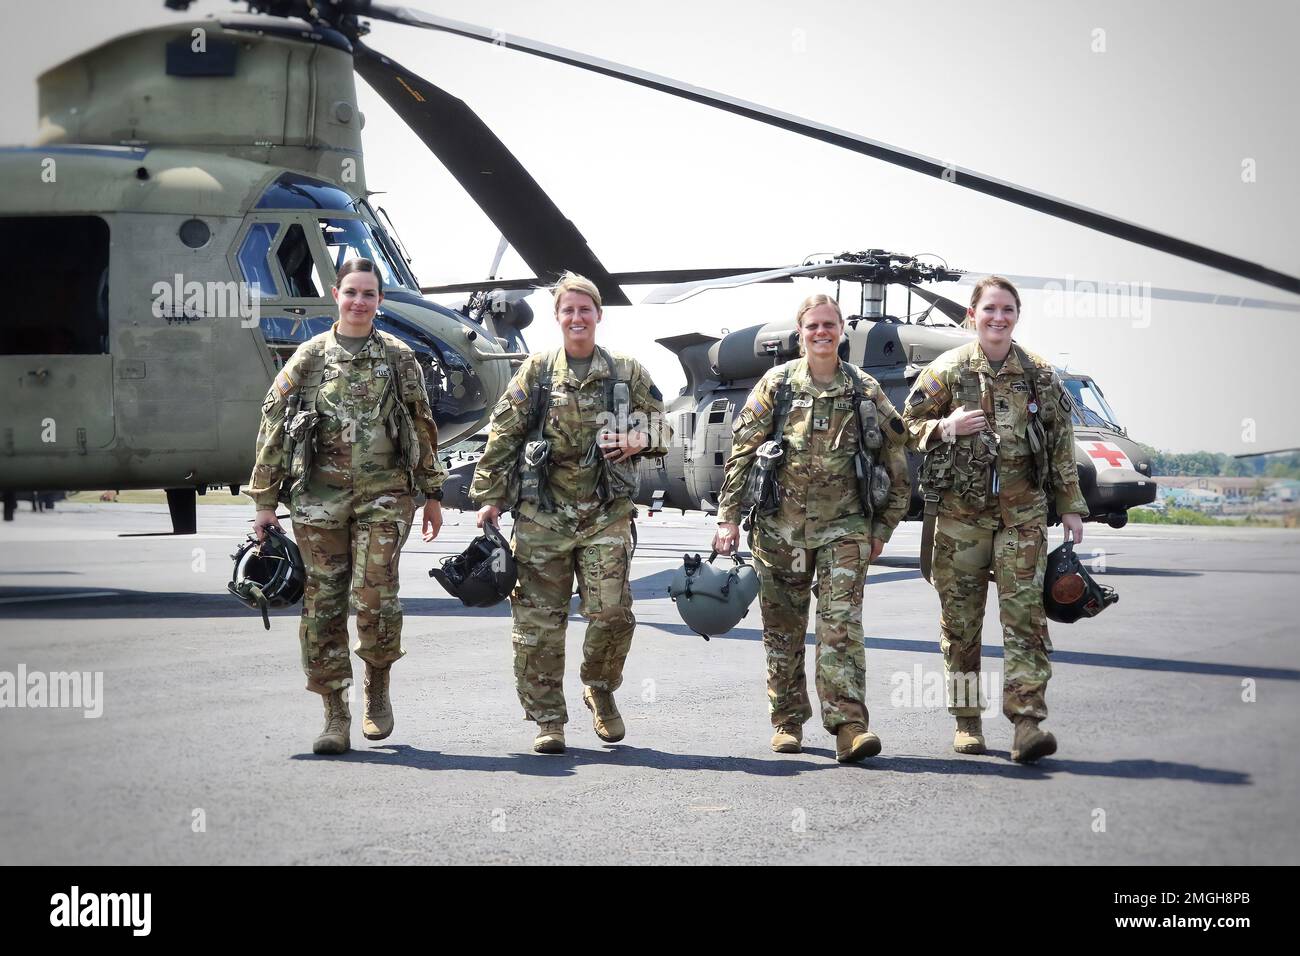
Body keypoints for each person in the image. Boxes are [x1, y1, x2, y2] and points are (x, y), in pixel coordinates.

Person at [247, 258, 446, 755]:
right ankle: (335, 712)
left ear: (380, 302)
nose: (359, 301)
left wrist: (433, 493)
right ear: (336, 294)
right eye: (352, 292)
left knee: (376, 597)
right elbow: (274, 424)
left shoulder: (400, 358)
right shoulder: (310, 357)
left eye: (369, 294)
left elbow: (422, 427)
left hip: (386, 497)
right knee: (323, 604)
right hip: (318, 500)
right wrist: (264, 501)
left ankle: (377, 686)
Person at [471, 273, 671, 754]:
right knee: (538, 623)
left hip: (606, 514)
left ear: (598, 315)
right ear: (558, 317)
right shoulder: (537, 372)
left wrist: (639, 438)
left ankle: (599, 690)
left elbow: (663, 424)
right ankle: (548, 720)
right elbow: (504, 434)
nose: (577, 318)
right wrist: (489, 497)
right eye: (568, 311)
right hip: (542, 515)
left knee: (612, 614)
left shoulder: (626, 372)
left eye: (586, 310)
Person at [713, 294, 911, 763]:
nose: (821, 333)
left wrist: (883, 525)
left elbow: (896, 460)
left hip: (845, 530)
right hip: (779, 531)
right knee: (783, 630)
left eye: (829, 325)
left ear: (841, 330)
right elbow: (743, 452)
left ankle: (849, 726)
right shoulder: (777, 385)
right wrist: (728, 517)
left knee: (840, 626)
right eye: (812, 326)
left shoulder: (863, 390)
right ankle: (787, 720)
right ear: (800, 333)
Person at [903, 275, 1086, 763]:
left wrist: (1069, 504)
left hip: (1022, 516)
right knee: (961, 625)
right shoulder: (946, 371)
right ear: (972, 315)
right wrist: (945, 426)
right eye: (990, 310)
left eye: (1007, 310)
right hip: (961, 518)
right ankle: (967, 722)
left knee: (1025, 620)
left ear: (1017, 316)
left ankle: (1027, 723)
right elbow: (904, 427)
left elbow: (1061, 439)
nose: (998, 318)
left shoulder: (1040, 374)